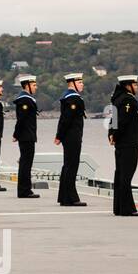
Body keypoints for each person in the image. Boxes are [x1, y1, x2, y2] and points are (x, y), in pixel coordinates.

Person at [107, 75, 138, 217]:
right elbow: (122, 121)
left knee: (120, 174)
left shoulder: (117, 98)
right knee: (126, 176)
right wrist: (115, 135)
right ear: (127, 86)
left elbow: (113, 120)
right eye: (134, 85)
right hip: (128, 142)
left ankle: (119, 207)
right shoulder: (127, 100)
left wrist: (111, 134)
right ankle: (127, 209)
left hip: (121, 143)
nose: (137, 87)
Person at [54, 72, 88, 206]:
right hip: (72, 136)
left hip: (69, 136)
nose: (82, 84)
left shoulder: (68, 97)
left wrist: (59, 135)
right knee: (71, 166)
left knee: (68, 165)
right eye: (79, 82)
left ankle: (64, 196)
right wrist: (59, 136)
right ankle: (71, 198)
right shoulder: (73, 99)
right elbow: (66, 120)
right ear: (72, 84)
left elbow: (63, 119)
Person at [12, 75, 41, 198]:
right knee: (25, 163)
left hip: (27, 135)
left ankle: (25, 189)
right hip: (26, 136)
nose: (36, 87)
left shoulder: (27, 99)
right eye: (34, 85)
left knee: (26, 163)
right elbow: (22, 120)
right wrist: (16, 134)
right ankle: (24, 190)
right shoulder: (25, 100)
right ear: (27, 85)